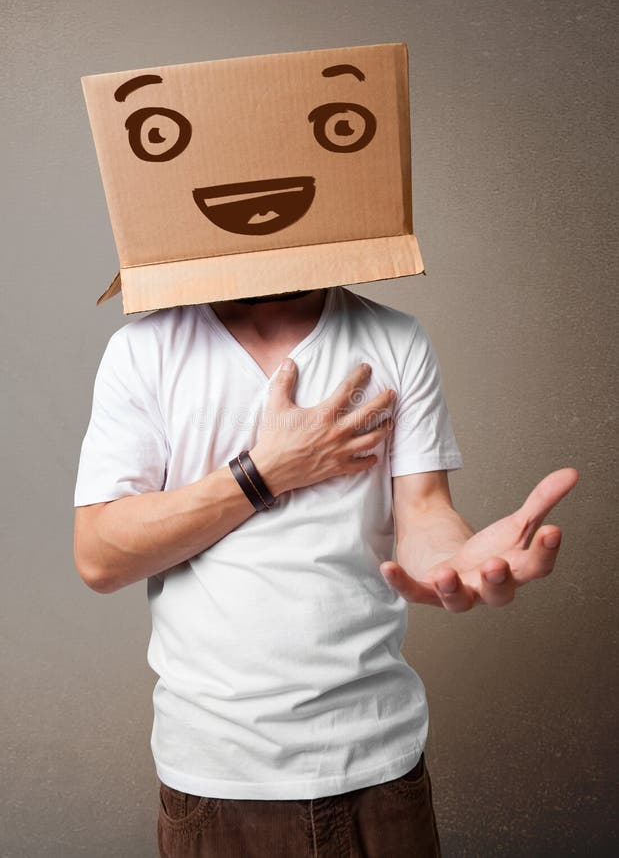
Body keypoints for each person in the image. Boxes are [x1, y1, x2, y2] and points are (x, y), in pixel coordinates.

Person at [73, 285, 578, 857]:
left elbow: (424, 512)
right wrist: (265, 471)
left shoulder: (395, 338)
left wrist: (453, 562)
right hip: (217, 776)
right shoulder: (145, 349)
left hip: (379, 764)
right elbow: (100, 554)